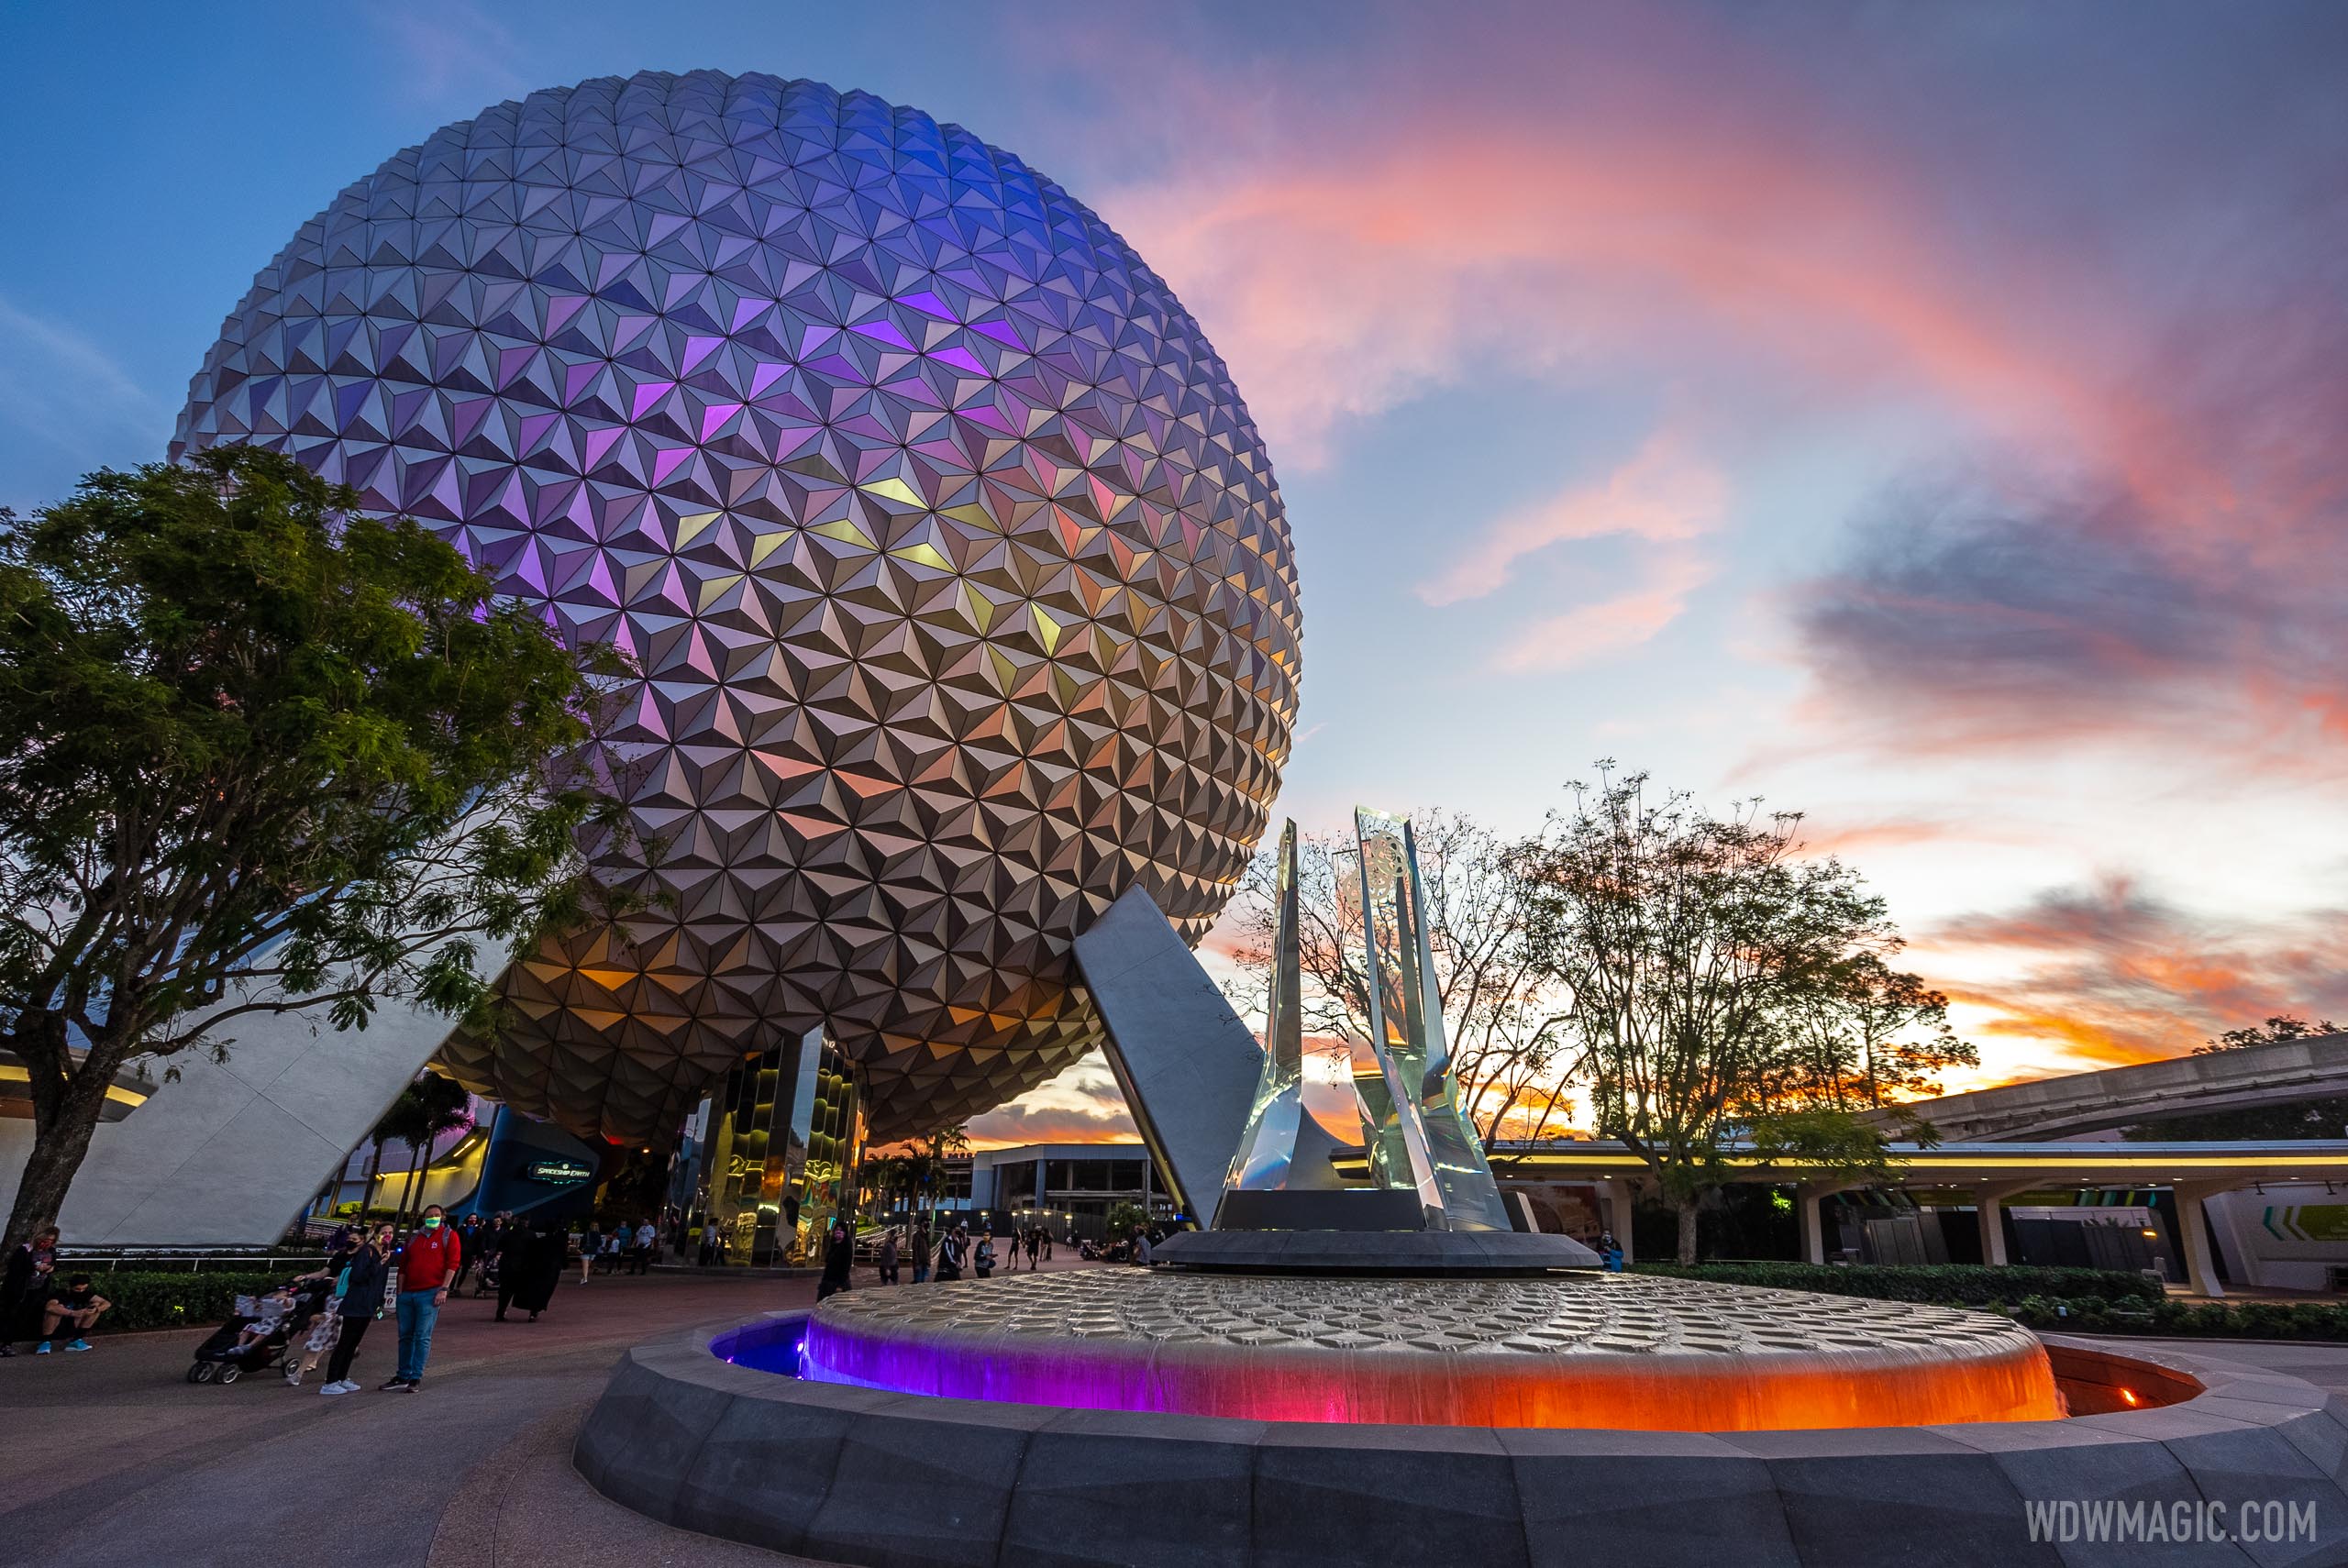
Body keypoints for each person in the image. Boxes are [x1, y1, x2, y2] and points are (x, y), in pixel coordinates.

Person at [382, 1202, 460, 1392]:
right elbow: (403, 1266)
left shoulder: (448, 1236)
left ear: (443, 1217)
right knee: (405, 1336)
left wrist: (444, 1289)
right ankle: (403, 1375)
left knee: (422, 1336)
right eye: (428, 1215)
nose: (432, 1218)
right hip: (408, 1293)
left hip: (430, 1292)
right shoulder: (414, 1238)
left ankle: (415, 1377)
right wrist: (400, 1292)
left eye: (436, 1215)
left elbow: (453, 1263)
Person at [317, 1223, 392, 1395]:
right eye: (383, 1233)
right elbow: (358, 1276)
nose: (387, 1236)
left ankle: (342, 1378)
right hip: (356, 1303)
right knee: (345, 1342)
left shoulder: (385, 1254)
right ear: (375, 1234)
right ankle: (330, 1382)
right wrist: (378, 1264)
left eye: (390, 1233)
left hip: (369, 1304)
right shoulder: (367, 1251)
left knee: (353, 1343)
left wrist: (379, 1304)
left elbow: (381, 1282)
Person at [2, 1224, 61, 1357]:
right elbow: (14, 1268)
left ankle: (13, 1340)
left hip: (37, 1287)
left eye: (51, 1240)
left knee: (24, 1315)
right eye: (46, 1240)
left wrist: (50, 1269)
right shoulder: (26, 1250)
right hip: (20, 1288)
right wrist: (33, 1268)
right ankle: (6, 1344)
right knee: (11, 1315)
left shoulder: (51, 1251)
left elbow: (54, 1264)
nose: (47, 1243)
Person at [36, 1273, 111, 1352]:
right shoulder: (60, 1293)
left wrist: (96, 1309)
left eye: (84, 1289)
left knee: (96, 1306)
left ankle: (77, 1340)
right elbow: (50, 1307)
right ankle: (45, 1342)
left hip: (73, 1325)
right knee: (56, 1310)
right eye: (77, 1289)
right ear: (70, 1287)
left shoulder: (85, 1294)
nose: (81, 1291)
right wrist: (72, 1313)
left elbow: (107, 1303)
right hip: (56, 1326)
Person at [817, 1217, 854, 1300]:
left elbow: (846, 1267)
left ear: (845, 1233)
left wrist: (840, 1285)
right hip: (828, 1281)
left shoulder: (846, 1246)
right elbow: (828, 1263)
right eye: (837, 1230)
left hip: (838, 1282)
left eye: (841, 1230)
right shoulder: (833, 1244)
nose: (838, 1232)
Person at [910, 1220, 932, 1285]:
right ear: (922, 1224)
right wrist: (916, 1263)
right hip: (919, 1262)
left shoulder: (927, 1235)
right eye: (926, 1222)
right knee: (918, 1281)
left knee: (923, 1282)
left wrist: (928, 1262)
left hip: (925, 1262)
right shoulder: (917, 1235)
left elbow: (928, 1250)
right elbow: (915, 1249)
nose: (928, 1224)